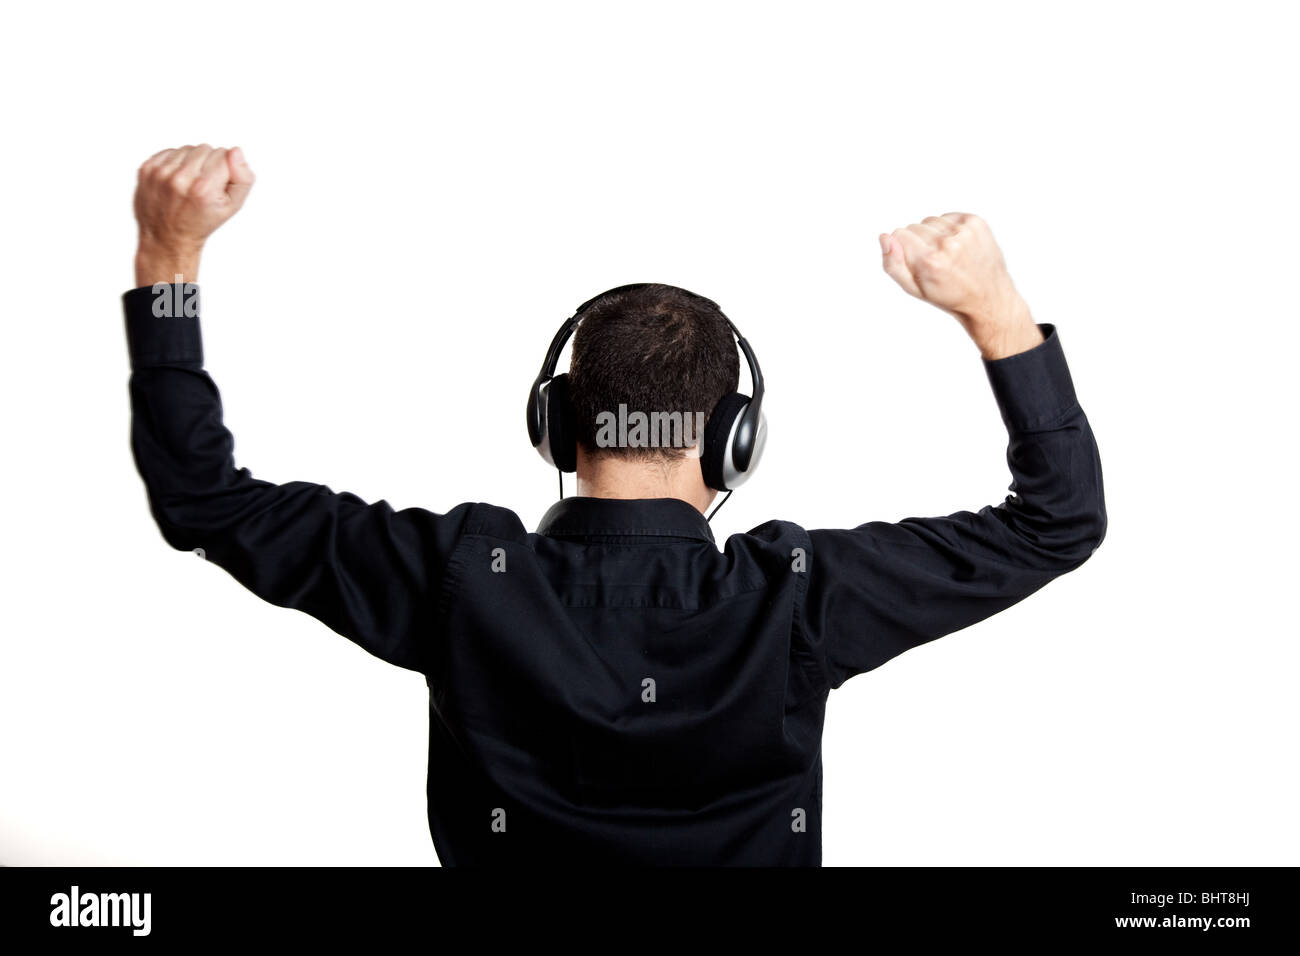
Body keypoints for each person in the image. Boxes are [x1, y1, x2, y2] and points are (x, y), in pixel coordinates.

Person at [123, 144, 1106, 866]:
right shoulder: (799, 596)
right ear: (735, 441)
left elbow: (202, 496)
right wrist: (996, 310)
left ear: (553, 422)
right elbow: (1056, 518)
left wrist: (168, 256)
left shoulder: (456, 574)